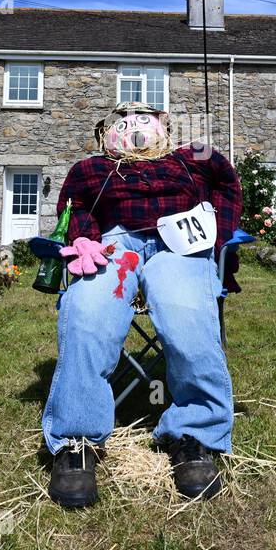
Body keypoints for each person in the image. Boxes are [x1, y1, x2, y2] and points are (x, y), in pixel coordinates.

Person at [42, 102, 242, 508]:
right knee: (87, 310)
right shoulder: (92, 168)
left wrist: (218, 236)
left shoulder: (192, 157)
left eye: (144, 119)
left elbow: (227, 183)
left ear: (164, 128)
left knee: (185, 311)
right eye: (123, 122)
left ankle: (195, 434)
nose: (133, 127)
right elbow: (74, 206)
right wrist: (83, 238)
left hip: (181, 244)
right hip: (119, 243)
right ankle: (77, 439)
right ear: (106, 134)